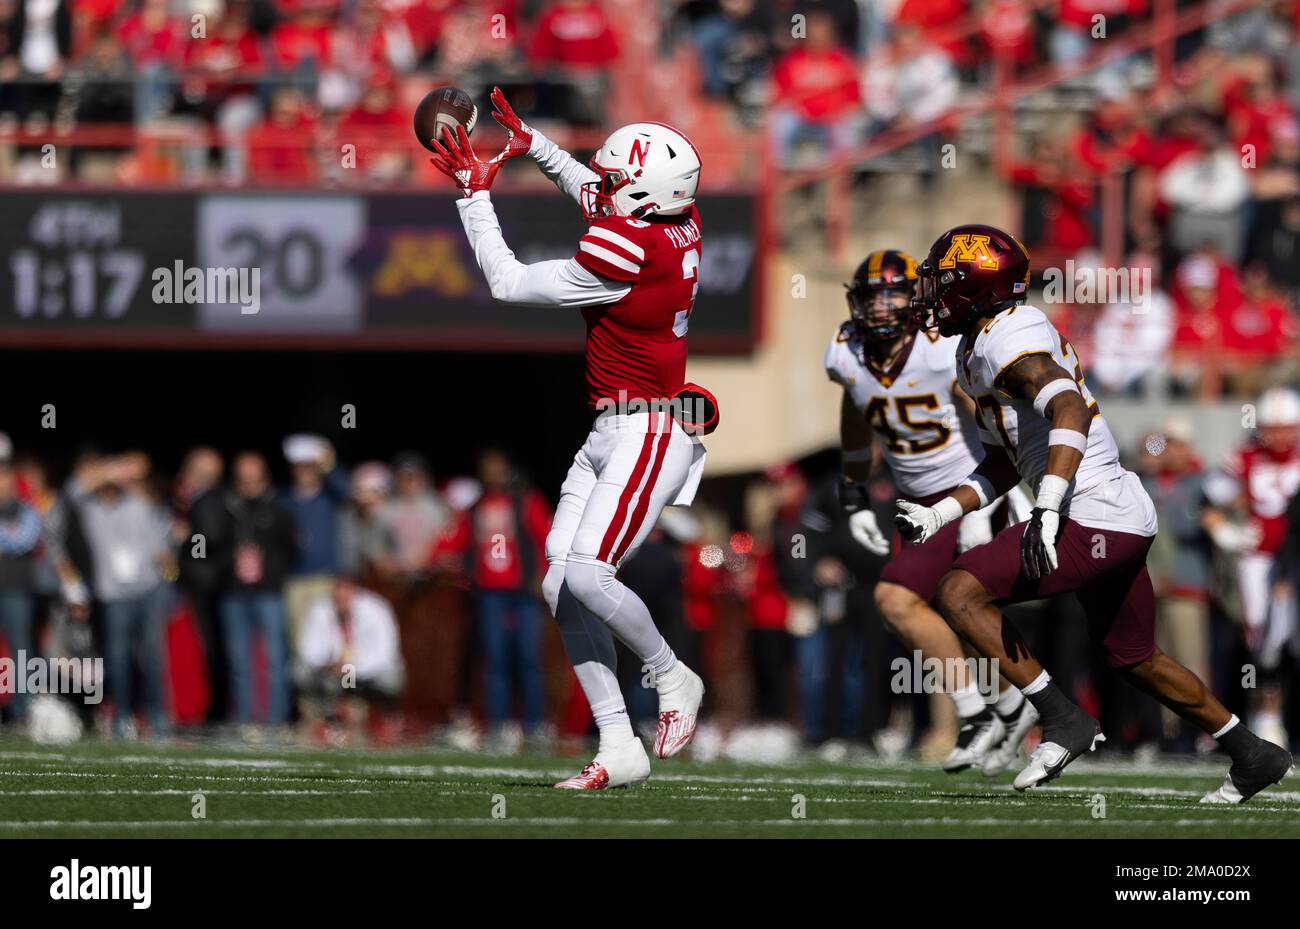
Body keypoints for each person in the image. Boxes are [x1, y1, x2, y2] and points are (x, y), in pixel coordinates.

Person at [899, 223, 1293, 803]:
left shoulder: (1009, 339)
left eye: (942, 281)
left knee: (959, 592)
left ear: (976, 289)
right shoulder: (975, 347)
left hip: (1094, 512)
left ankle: (1062, 719)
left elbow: (1068, 409)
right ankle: (1253, 754)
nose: (929, 294)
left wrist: (1051, 505)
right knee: (1134, 657)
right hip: (1116, 511)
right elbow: (1008, 464)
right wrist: (942, 513)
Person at [428, 88, 712, 788]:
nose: (604, 186)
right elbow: (594, 188)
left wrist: (473, 195)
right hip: (614, 425)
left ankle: (673, 676)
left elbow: (506, 280)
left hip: (649, 426)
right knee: (560, 584)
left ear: (643, 194)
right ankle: (619, 742)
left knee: (589, 572)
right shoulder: (675, 217)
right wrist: (538, 147)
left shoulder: (626, 246)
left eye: (617, 180)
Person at [825, 248, 1034, 774]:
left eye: (893, 294)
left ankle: (1005, 709)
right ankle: (996, 710)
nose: (880, 308)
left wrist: (1005, 488)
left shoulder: (940, 350)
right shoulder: (846, 351)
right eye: (872, 297)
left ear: (913, 299)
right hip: (918, 504)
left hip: (967, 495)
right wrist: (852, 487)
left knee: (949, 606)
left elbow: (994, 418)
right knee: (907, 606)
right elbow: (855, 409)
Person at [1203, 387, 1300, 748]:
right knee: (1264, 642)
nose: (1278, 435)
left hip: (1295, 560)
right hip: (1258, 561)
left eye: (1286, 427)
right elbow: (1209, 502)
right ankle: (1267, 719)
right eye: (1271, 428)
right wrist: (1225, 530)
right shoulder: (1245, 454)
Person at [433, 449, 550, 744]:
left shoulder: (526, 502)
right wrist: (440, 558)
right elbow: (452, 541)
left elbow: (546, 536)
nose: (492, 473)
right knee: (495, 660)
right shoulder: (474, 509)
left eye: (497, 467)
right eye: (487, 468)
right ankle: (499, 725)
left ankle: (535, 725)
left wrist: (543, 574)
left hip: (522, 591)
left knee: (528, 659)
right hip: (489, 593)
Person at [211, 452, 299, 727]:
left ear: (265, 478)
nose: (249, 484)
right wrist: (232, 561)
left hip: (268, 591)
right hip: (234, 593)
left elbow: (292, 551)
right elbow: (210, 547)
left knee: (275, 659)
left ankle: (276, 720)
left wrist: (267, 564)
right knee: (239, 661)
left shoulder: (279, 509)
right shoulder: (225, 508)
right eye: (243, 478)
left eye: (254, 478)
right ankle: (245, 719)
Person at [294, 575, 403, 745]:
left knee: (390, 677)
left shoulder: (376, 610)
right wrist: (329, 663)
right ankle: (330, 717)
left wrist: (351, 667)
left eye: (346, 597)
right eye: (338, 598)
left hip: (364, 672)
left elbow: (385, 652)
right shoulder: (321, 610)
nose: (342, 602)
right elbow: (308, 647)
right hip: (334, 672)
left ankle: (385, 716)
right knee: (300, 670)